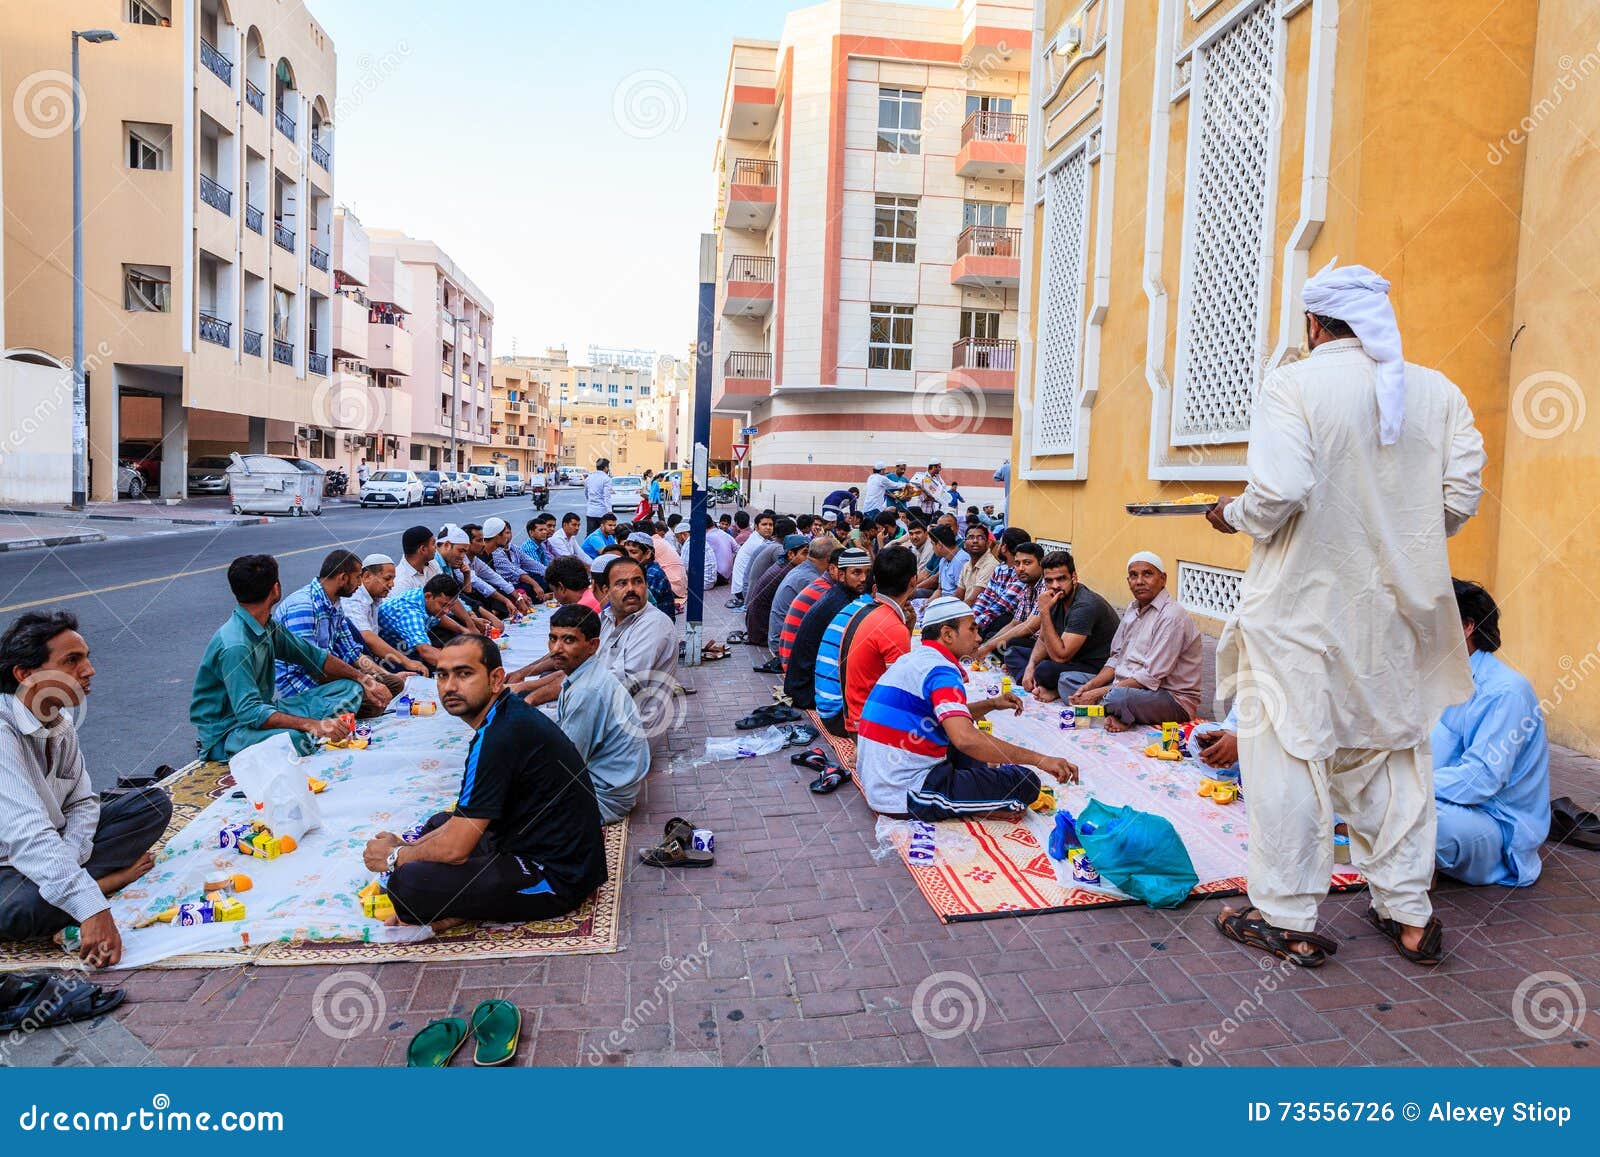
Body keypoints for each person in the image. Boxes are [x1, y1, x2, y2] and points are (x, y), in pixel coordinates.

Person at [1206, 261, 1486, 968]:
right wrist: (1401, 531)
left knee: (1292, 759)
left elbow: (1280, 491)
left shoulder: (1293, 384)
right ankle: (1409, 913)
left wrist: (1230, 513)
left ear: (1313, 324)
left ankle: (1288, 916)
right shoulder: (1439, 392)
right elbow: (1458, 499)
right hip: (1391, 615)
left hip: (1299, 613)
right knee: (1392, 757)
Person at [364, 635, 606, 929]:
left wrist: (395, 857)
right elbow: (462, 823)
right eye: (442, 675)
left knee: (410, 885)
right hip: (523, 841)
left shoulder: (499, 736)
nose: (450, 686)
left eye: (464, 674)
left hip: (555, 876)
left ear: (495, 679)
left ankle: (466, 907)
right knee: (438, 824)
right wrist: (406, 849)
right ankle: (467, 901)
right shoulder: (502, 718)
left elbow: (455, 849)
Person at [0, 611, 171, 965]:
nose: (89, 670)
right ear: (26, 674)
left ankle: (70, 884)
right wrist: (93, 905)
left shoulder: (60, 723)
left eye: (86, 658)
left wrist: (71, 853)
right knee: (16, 911)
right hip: (9, 863)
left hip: (57, 845)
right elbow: (27, 833)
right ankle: (105, 881)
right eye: (72, 661)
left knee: (152, 804)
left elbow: (82, 803)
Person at [856, 597, 1077, 819]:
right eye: (972, 629)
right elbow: (965, 738)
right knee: (1024, 784)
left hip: (880, 778)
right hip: (902, 793)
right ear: (947, 634)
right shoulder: (941, 670)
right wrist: (1041, 759)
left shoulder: (917, 659)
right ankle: (987, 805)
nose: (979, 637)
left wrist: (991, 704)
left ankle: (977, 791)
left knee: (979, 755)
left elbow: (942, 718)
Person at [191, 555, 371, 760]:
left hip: (264, 711)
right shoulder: (236, 645)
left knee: (350, 688)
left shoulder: (267, 625)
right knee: (295, 739)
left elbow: (315, 657)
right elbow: (249, 712)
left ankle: (317, 732)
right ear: (275, 589)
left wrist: (363, 679)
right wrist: (313, 725)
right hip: (229, 732)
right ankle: (312, 735)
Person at [1431, 580, 1549, 887]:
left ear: (1467, 627)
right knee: (1347, 778)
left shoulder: (1505, 692)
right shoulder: (1438, 676)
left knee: (1425, 822)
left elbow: (1482, 778)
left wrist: (1407, 786)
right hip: (1441, 796)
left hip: (1495, 822)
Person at [534, 606, 650, 825]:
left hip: (602, 799)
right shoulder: (585, 676)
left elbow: (566, 764)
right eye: (553, 638)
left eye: (568, 640)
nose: (557, 649)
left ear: (592, 645)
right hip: (610, 785)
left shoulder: (587, 692)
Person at [1069, 553, 1203, 731]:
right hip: (1126, 686)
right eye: (1134, 575)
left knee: (1117, 697)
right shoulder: (1132, 610)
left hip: (1170, 698)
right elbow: (1115, 658)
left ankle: (1112, 710)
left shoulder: (1172, 616)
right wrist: (1090, 687)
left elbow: (1151, 676)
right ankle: (1111, 711)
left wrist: (1099, 693)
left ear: (1162, 579)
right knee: (1068, 680)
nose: (1139, 581)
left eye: (1147, 574)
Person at [273, 550, 408, 702]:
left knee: (394, 684)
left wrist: (384, 675)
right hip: (304, 685)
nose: (360, 582)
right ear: (343, 578)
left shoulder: (335, 603)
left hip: (328, 672)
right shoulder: (304, 606)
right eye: (358, 577)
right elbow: (313, 666)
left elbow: (352, 653)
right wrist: (364, 682)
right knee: (371, 700)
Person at [816, 545, 917, 737]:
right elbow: (900, 693)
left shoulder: (863, 608)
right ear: (914, 581)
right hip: (846, 719)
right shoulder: (891, 626)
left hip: (835, 707)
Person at [594, 556, 679, 751]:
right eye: (622, 583)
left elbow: (622, 685)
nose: (631, 589)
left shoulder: (654, 623)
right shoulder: (606, 618)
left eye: (637, 582)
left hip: (632, 734)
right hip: (612, 720)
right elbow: (586, 665)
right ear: (606, 591)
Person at [1024, 549, 1121, 701]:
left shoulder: (1085, 605)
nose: (1055, 585)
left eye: (1061, 579)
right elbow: (1043, 639)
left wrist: (1044, 613)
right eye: (1049, 580)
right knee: (1014, 649)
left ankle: (1051, 688)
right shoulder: (1055, 597)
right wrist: (1030, 666)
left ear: (1074, 578)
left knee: (1044, 670)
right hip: (1072, 661)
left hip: (1097, 668)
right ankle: (1041, 685)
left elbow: (1061, 656)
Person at [784, 547, 873, 709]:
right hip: (808, 691)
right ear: (841, 575)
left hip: (801, 685)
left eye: (867, 572)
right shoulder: (843, 605)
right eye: (856, 573)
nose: (863, 579)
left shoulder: (839, 594)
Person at [341, 554, 431, 677]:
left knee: (415, 660)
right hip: (359, 661)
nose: (392, 584)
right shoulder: (354, 599)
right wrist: (406, 662)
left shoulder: (376, 597)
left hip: (373, 657)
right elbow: (367, 636)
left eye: (393, 579)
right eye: (387, 579)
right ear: (367, 576)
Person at [970, 542, 1046, 679]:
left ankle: (1027, 678)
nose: (1021, 568)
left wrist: (987, 647)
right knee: (996, 637)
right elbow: (1015, 622)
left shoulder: (1045, 586)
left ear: (1041, 564)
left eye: (1027, 563)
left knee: (1010, 645)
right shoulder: (1028, 587)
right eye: (1017, 564)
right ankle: (1012, 665)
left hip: (1046, 644)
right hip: (1030, 641)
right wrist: (987, 645)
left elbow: (1029, 626)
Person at [376, 575, 464, 669]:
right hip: (390, 657)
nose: (446, 611)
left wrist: (463, 630)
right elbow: (425, 651)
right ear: (428, 596)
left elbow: (438, 618)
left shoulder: (421, 595)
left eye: (450, 606)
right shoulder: (410, 613)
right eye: (444, 605)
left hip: (406, 646)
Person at [748, 534, 809, 667]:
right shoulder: (791, 573)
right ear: (791, 554)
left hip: (757, 628)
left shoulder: (784, 566)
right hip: (762, 633)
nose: (809, 559)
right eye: (805, 553)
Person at [767, 536, 831, 656]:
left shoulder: (803, 569)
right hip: (782, 646)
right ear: (829, 559)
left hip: (778, 639)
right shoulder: (811, 579)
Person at [778, 547, 838, 670]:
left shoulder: (815, 577)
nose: (863, 578)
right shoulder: (821, 588)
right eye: (855, 572)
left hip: (785, 650)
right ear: (831, 568)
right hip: (793, 662)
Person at [971, 527, 1033, 638]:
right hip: (989, 617)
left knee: (999, 623)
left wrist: (973, 625)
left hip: (1005, 621)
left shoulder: (1022, 575)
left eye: (1000, 543)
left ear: (1004, 547)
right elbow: (985, 597)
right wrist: (971, 619)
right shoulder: (1000, 569)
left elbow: (1002, 606)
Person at [483, 516, 546, 602]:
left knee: (544, 579)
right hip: (507, 584)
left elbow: (532, 563)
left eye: (509, 533)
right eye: (506, 533)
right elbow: (513, 573)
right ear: (498, 536)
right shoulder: (492, 553)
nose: (508, 536)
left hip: (511, 584)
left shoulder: (513, 548)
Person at [624, 531, 677, 621]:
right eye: (626, 552)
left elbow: (639, 607)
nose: (628, 557)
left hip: (658, 625)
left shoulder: (652, 574)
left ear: (648, 554)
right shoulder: (640, 570)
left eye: (633, 552)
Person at [727, 510, 775, 609]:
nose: (768, 527)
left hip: (742, 588)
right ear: (756, 527)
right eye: (764, 524)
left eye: (771, 525)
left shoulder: (759, 538)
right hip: (743, 591)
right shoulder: (758, 543)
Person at [955, 525, 997, 604]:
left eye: (980, 537)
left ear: (988, 543)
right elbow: (958, 595)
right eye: (971, 537)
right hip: (965, 608)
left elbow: (973, 600)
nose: (975, 541)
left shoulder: (991, 565)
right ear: (964, 544)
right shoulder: (966, 565)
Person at [652, 520, 689, 602]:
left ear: (684, 535)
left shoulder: (655, 542)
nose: (677, 540)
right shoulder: (662, 540)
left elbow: (686, 566)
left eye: (677, 537)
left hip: (676, 587)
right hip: (681, 585)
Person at [928, 525, 965, 598]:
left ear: (939, 545)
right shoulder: (943, 560)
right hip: (942, 600)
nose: (932, 548)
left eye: (932, 544)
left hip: (953, 603)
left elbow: (960, 594)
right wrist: (927, 603)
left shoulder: (961, 560)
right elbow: (939, 589)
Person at [705, 515, 738, 587]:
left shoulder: (707, 537)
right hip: (728, 575)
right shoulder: (725, 534)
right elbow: (737, 549)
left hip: (718, 576)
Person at [584, 458, 614, 535]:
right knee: (603, 535)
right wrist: (609, 511)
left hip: (591, 512)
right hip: (602, 513)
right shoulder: (606, 479)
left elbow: (586, 494)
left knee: (591, 535)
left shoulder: (589, 478)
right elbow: (606, 497)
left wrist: (590, 502)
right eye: (608, 467)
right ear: (606, 468)